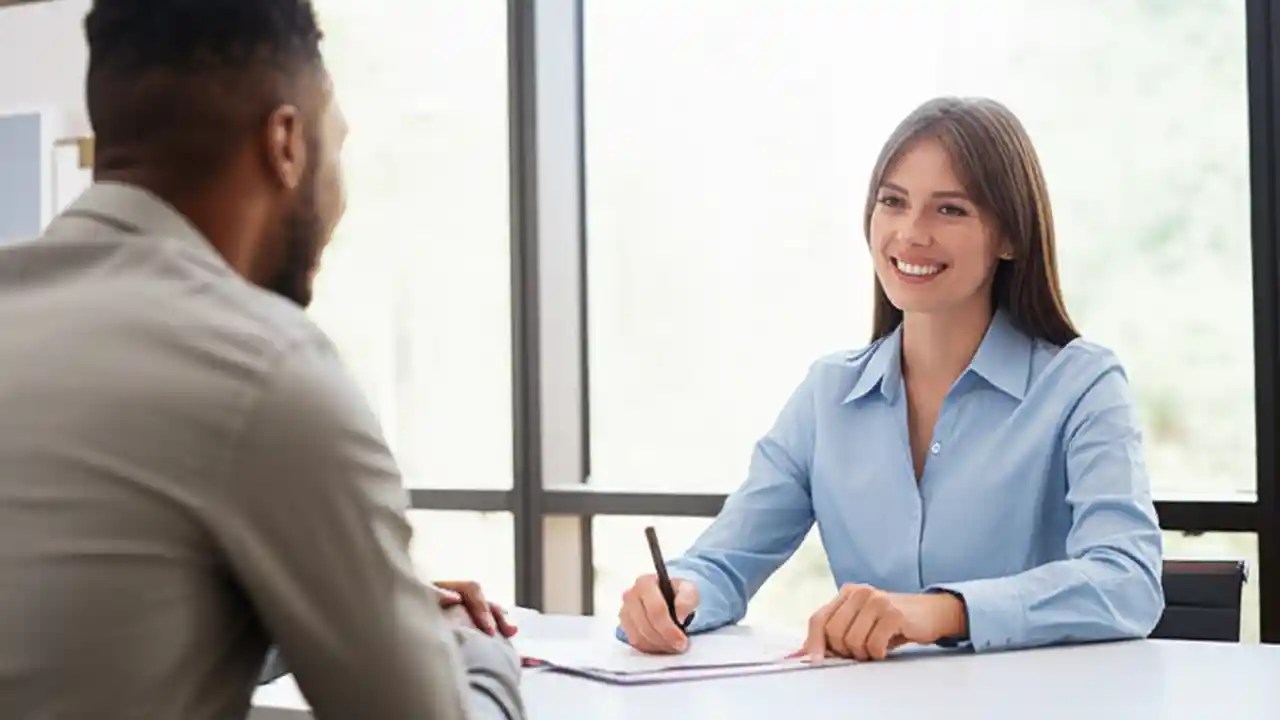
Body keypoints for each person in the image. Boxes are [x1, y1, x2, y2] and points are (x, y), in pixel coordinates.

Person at [0, 1, 525, 718]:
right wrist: (475, 653)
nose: (338, 200)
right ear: (285, 142)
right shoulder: (262, 366)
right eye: (335, 148)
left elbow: (79, 628)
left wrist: (349, 613)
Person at [617, 97, 1165, 662]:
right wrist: (677, 595)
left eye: (949, 210)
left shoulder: (1082, 385)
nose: (910, 232)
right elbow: (723, 563)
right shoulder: (828, 394)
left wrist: (940, 612)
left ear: (1009, 237)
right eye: (893, 202)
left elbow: (1127, 582)